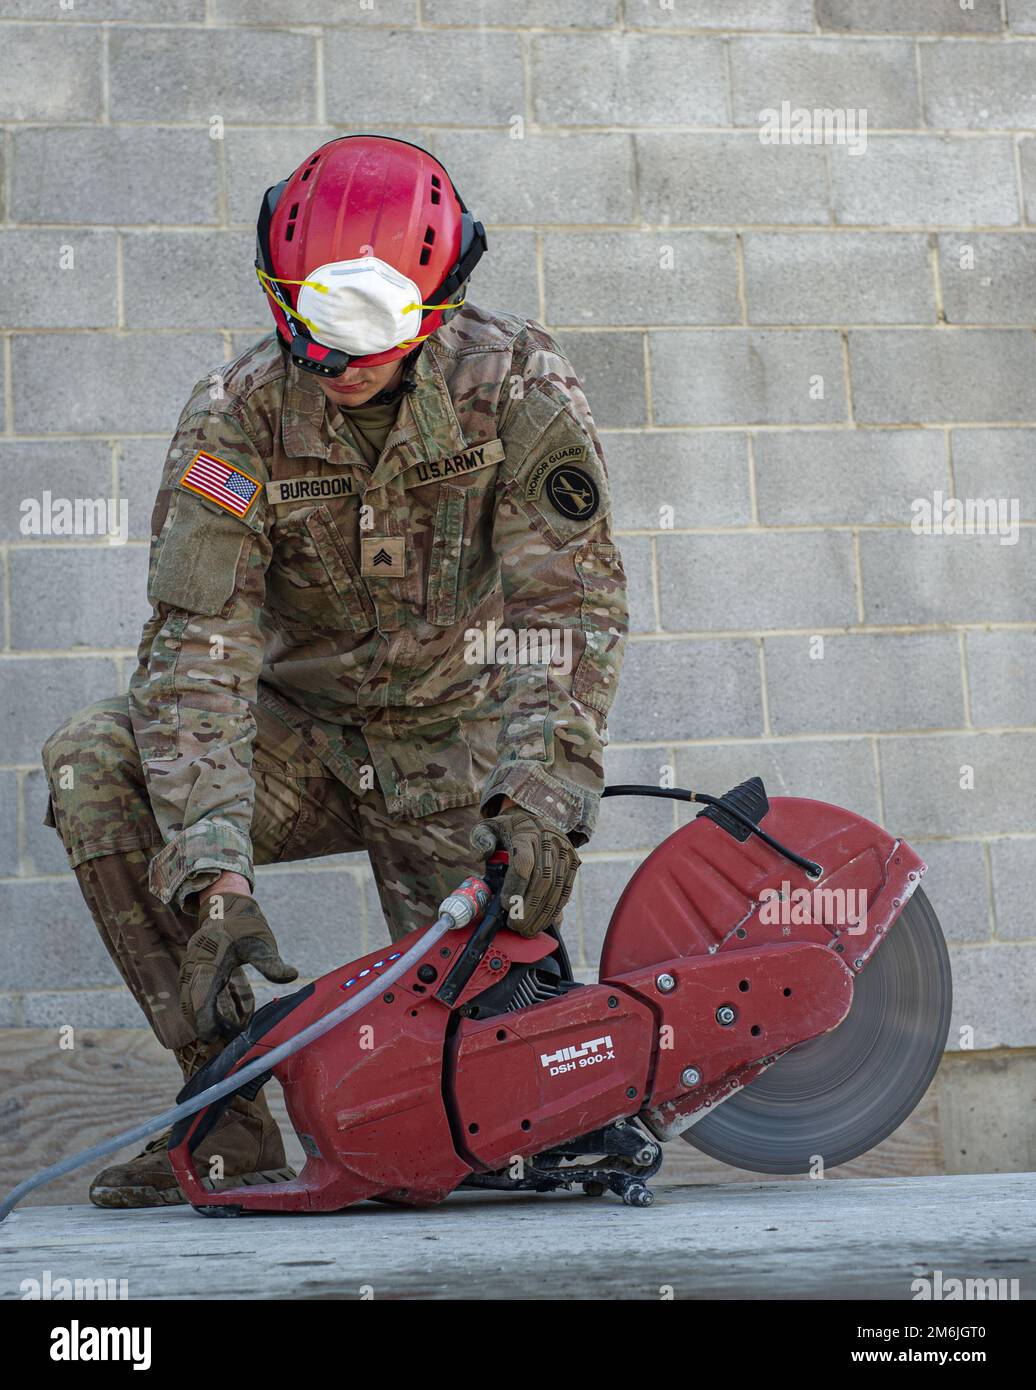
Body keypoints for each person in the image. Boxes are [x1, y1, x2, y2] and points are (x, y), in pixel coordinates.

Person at [41, 134, 629, 1208]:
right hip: (298, 742)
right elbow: (198, 650)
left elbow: (568, 609)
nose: (345, 369)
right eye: (322, 341)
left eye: (374, 344)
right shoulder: (235, 420)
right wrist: (212, 872)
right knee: (90, 760)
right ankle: (226, 1117)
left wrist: (545, 798)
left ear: (437, 303)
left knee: (502, 1126)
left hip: (452, 751)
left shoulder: (518, 385)